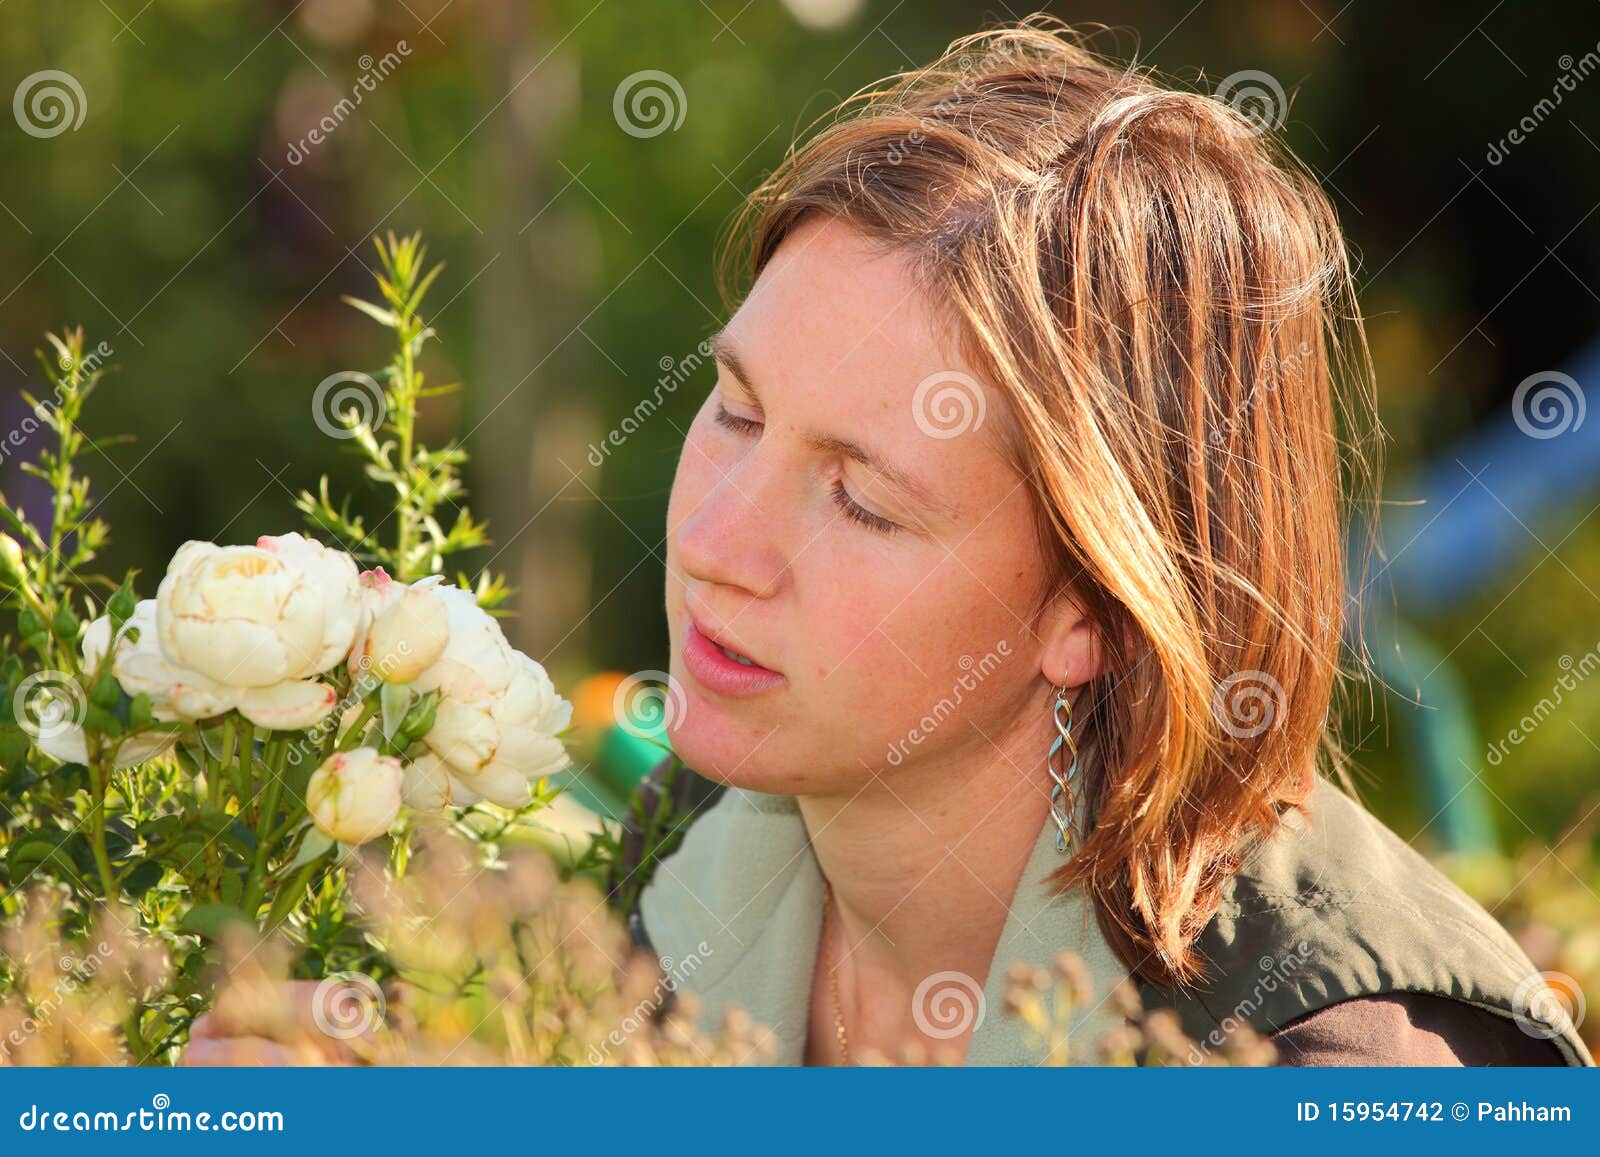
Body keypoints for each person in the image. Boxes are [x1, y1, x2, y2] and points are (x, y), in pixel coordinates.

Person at [185, 15, 1593, 1068]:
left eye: (866, 498)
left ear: (1091, 607)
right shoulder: (688, 863)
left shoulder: (1342, 1069)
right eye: (733, 412)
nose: (721, 546)